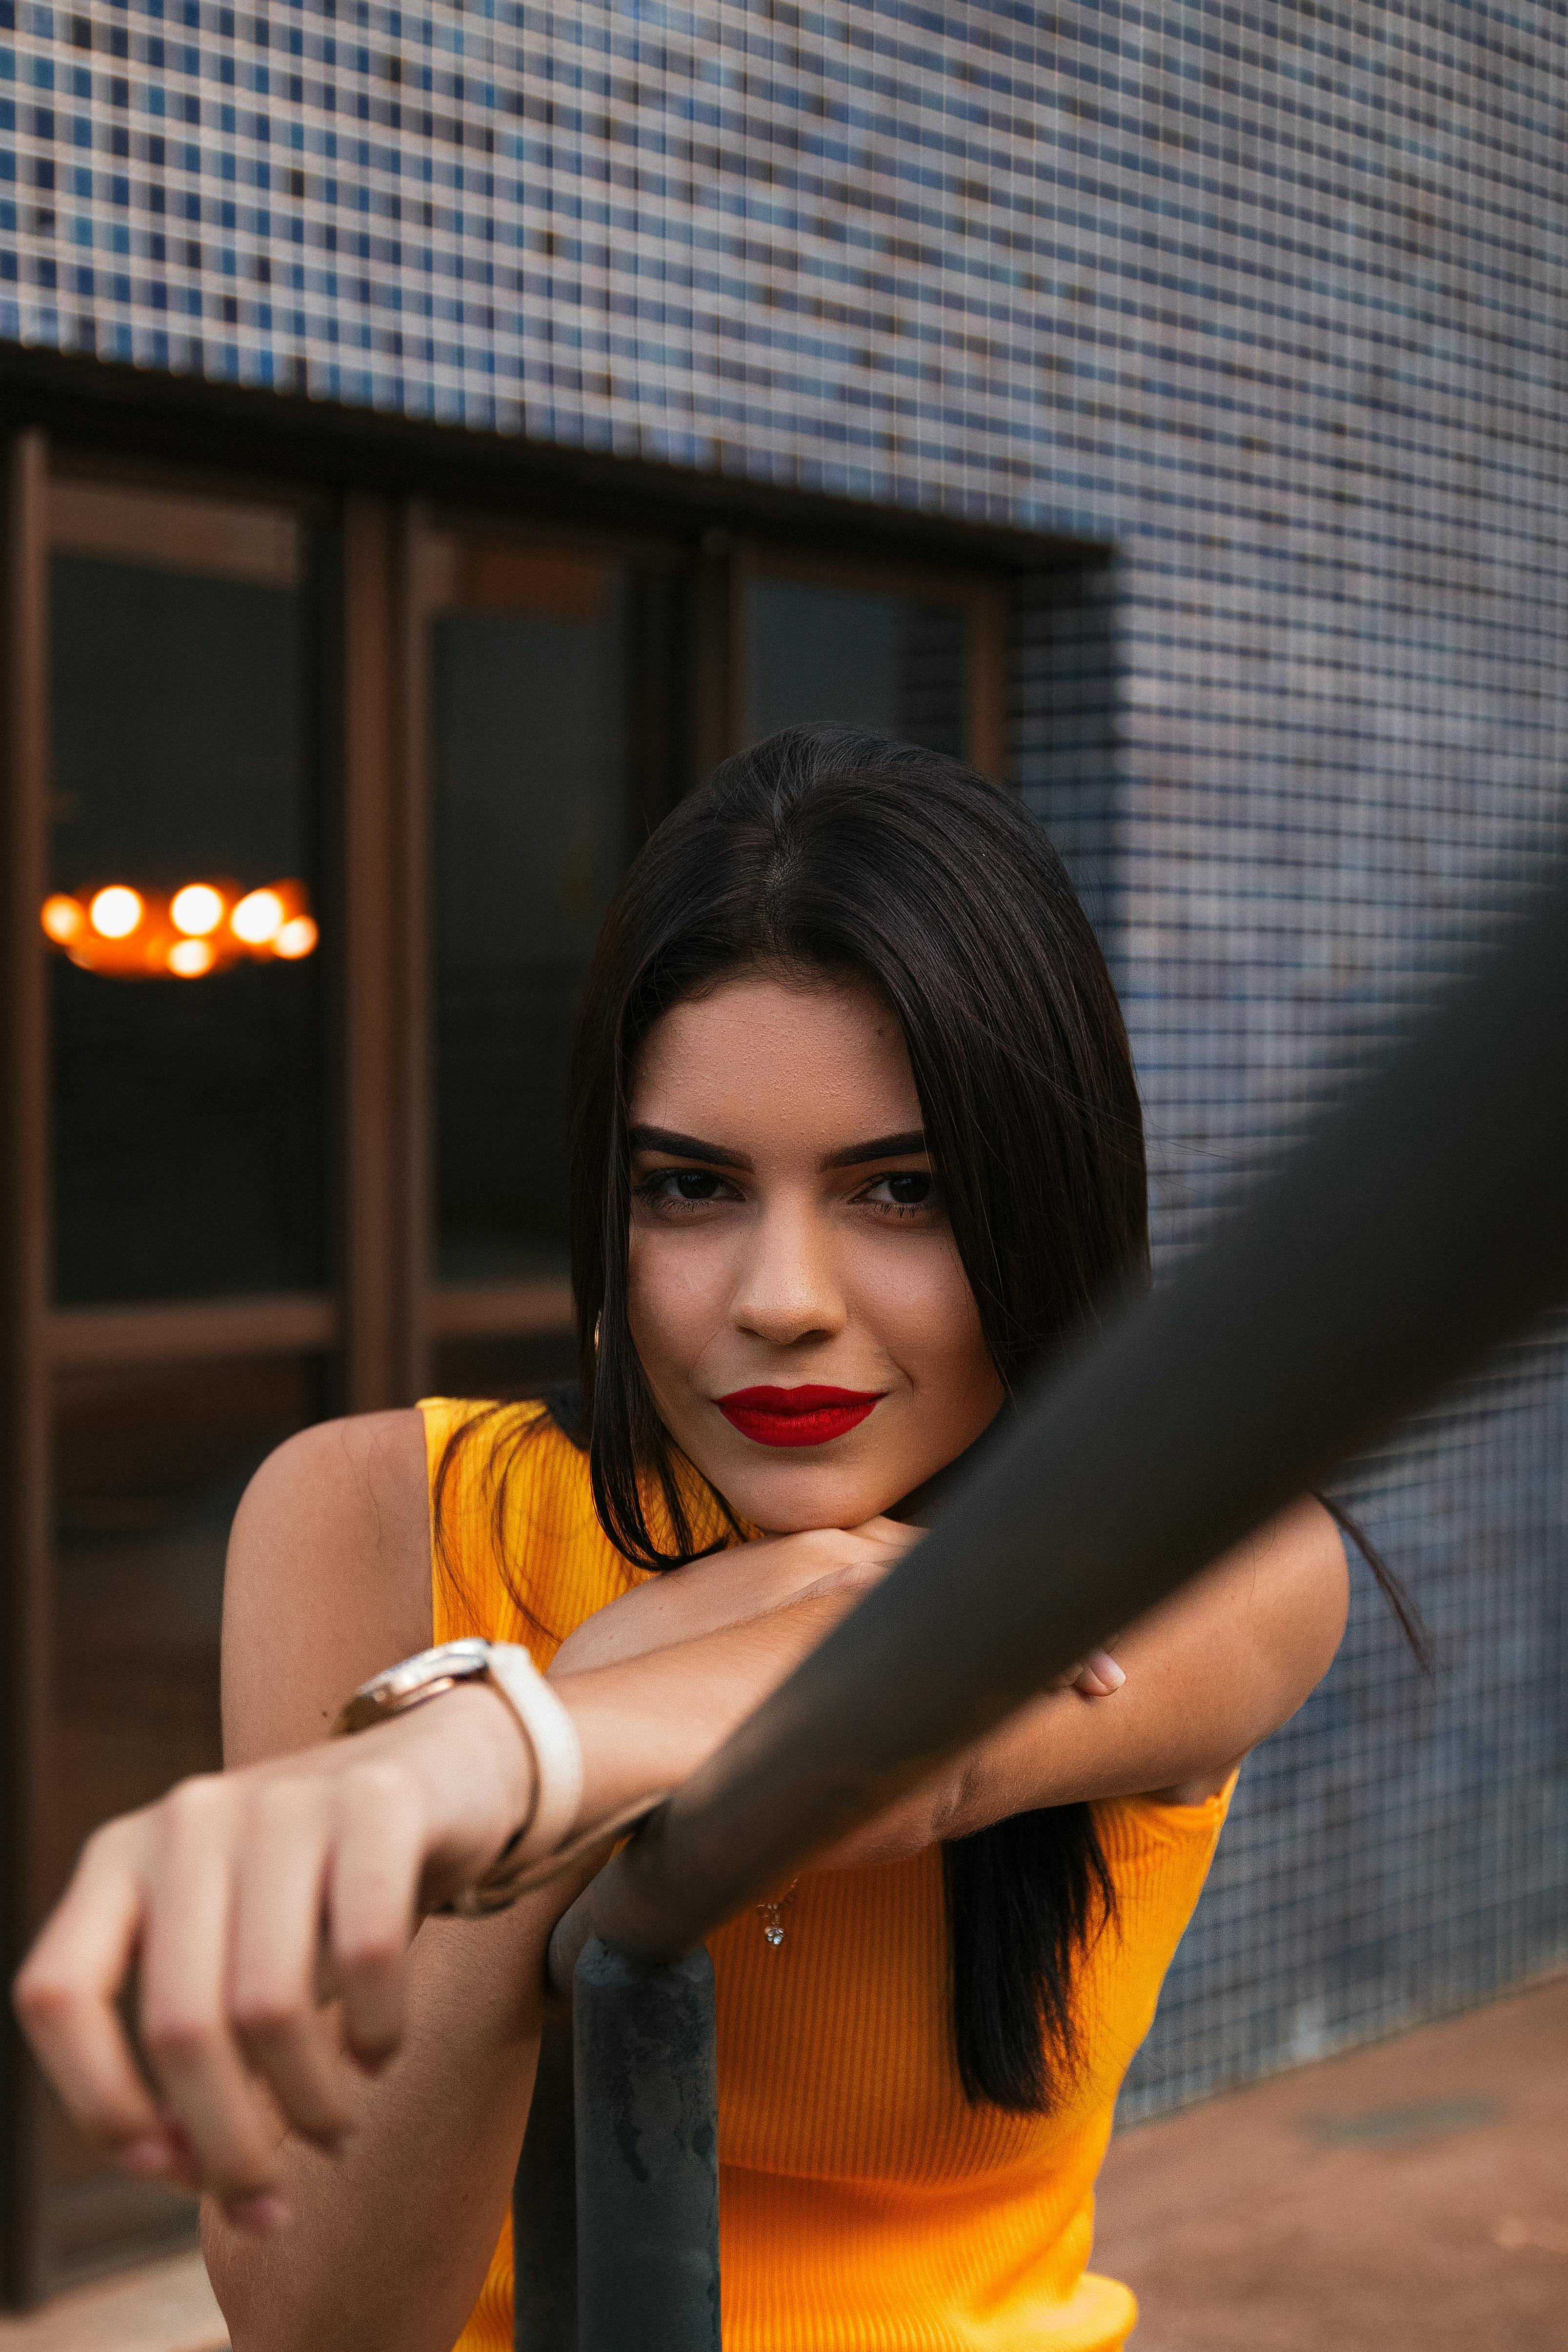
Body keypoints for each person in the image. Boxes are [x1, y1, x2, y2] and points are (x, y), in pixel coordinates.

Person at [17, 728, 1365, 2352]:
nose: (781, 1301)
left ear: (1043, 1197)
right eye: (692, 1190)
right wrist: (553, 1788)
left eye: (903, 1190)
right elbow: (324, 2330)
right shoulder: (369, 1514)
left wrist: (474, 1761)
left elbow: (903, 1741)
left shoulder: (1209, 1548)